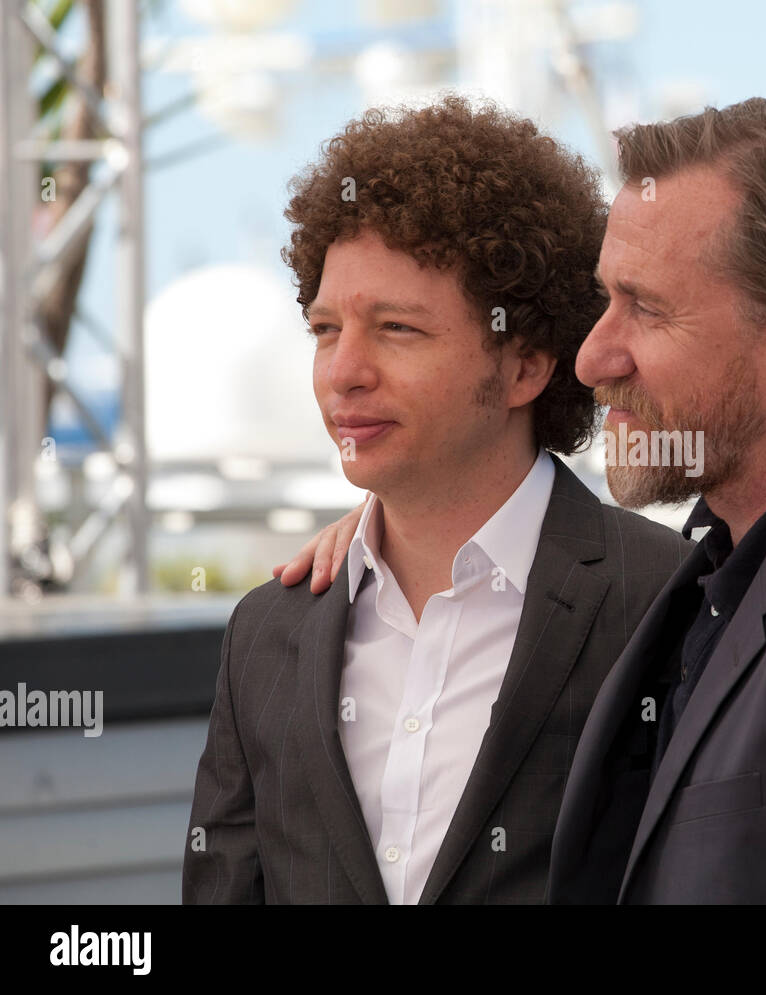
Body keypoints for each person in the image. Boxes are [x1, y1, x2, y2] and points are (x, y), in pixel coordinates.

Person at [260, 97, 766, 904]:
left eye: (646, 310)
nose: (591, 358)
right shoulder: (754, 560)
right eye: (605, 299)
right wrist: (401, 528)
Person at [182, 97, 691, 904]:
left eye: (396, 329)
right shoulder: (268, 633)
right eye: (323, 329)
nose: (343, 370)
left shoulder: (670, 602)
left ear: (526, 365)